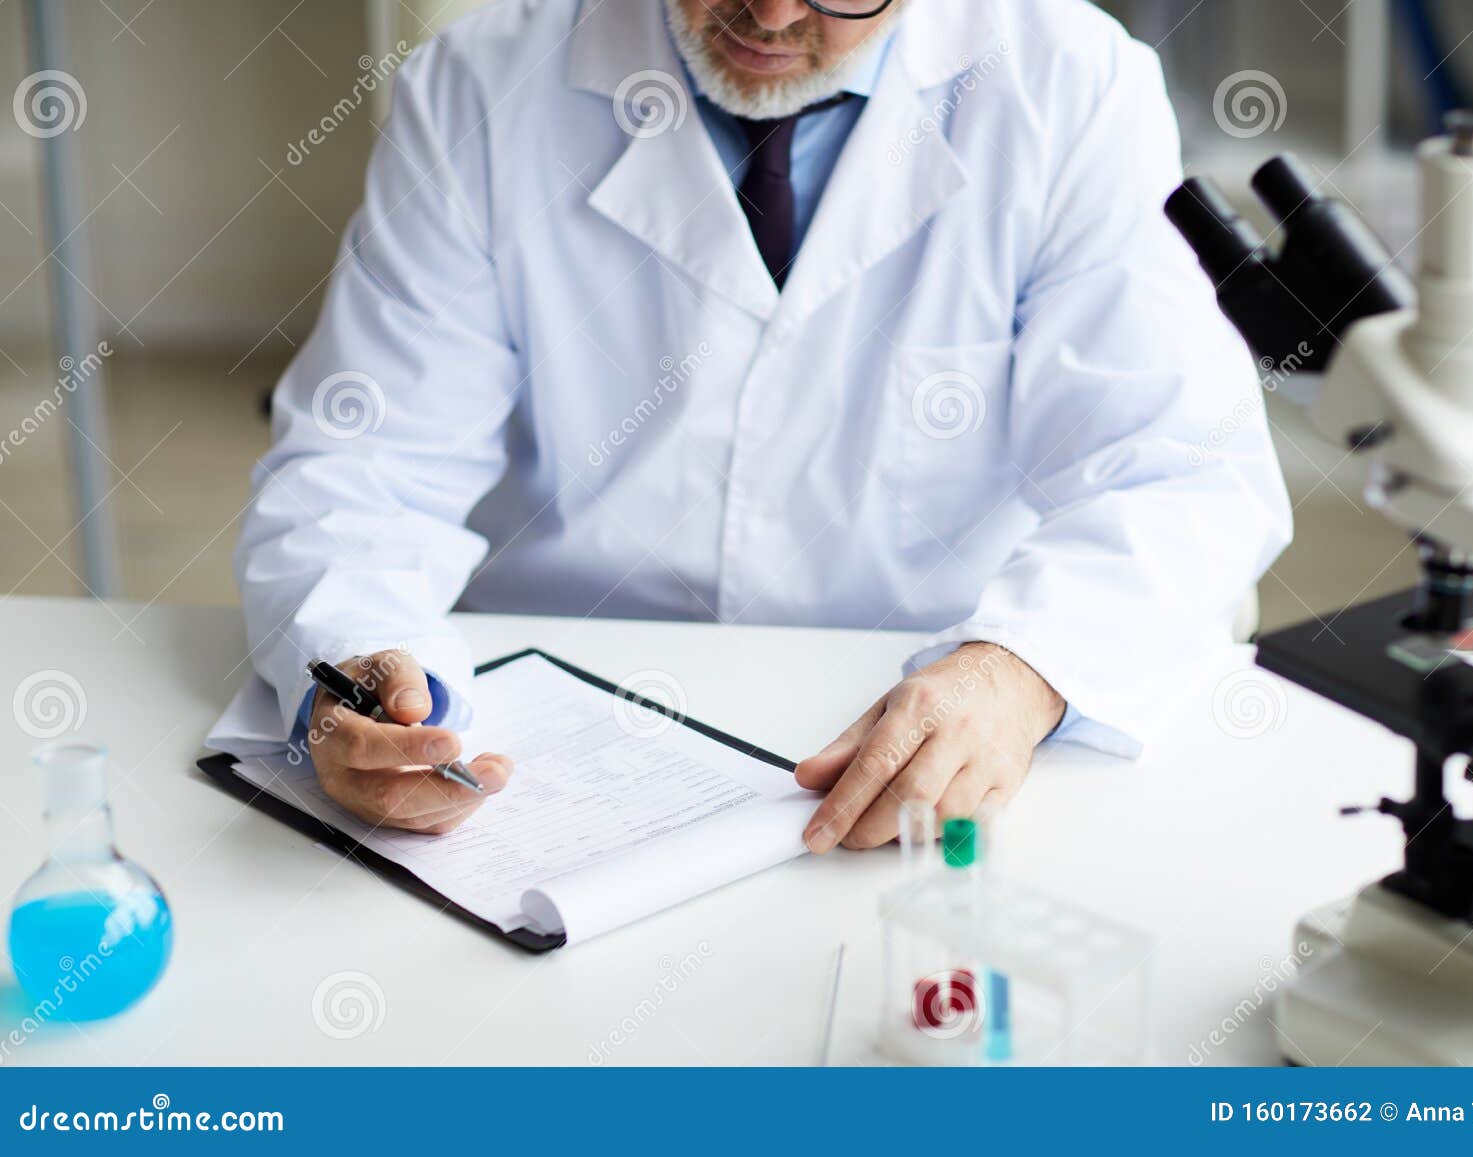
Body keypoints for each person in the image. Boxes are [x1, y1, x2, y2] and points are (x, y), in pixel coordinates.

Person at [228, 0, 1291, 850]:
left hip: (912, 721)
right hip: (549, 736)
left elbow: (1175, 468)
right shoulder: (479, 86)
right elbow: (363, 464)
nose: (774, 13)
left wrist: (1014, 671)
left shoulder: (1072, 84)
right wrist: (360, 671)